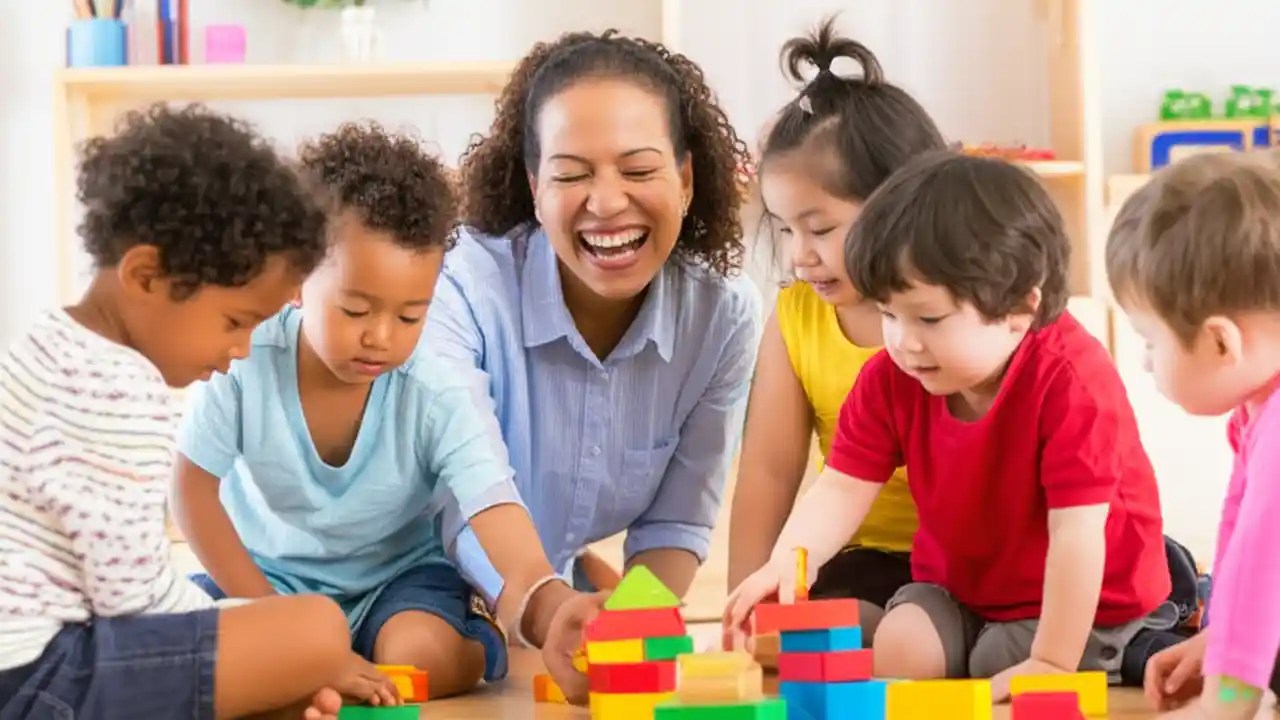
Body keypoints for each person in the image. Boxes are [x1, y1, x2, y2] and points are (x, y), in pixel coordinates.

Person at [725, 151, 1173, 700]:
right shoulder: (893, 377)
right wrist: (785, 565)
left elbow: (1077, 534)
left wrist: (1052, 662)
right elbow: (841, 487)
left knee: (995, 661)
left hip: (1090, 602)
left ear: (1019, 308)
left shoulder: (1072, 381)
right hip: (966, 591)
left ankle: (1157, 628)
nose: (904, 342)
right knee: (902, 652)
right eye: (888, 314)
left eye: (929, 319)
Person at [0, 104, 388, 719]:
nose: (241, 351)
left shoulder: (44, 343)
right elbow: (134, 603)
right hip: (44, 680)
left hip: (32, 664)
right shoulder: (121, 389)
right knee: (318, 631)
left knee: (274, 646)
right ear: (146, 276)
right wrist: (275, 648)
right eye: (235, 322)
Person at [173, 123, 585, 700]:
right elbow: (191, 492)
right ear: (296, 281)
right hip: (267, 579)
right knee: (189, 649)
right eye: (355, 310)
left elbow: (491, 500)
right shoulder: (245, 357)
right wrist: (277, 623)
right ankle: (323, 665)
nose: (382, 337)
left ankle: (469, 638)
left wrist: (545, 592)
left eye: (411, 316)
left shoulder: (432, 388)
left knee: (418, 657)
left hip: (396, 587)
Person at [423, 28, 761, 701]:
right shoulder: (462, 286)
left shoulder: (722, 316)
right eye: (572, 174)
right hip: (408, 576)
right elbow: (471, 485)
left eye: (637, 171)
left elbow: (676, 522)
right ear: (534, 187)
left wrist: (623, 634)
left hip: (540, 591)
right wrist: (550, 610)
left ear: (685, 179)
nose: (605, 203)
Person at [725, 18, 945, 644]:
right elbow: (769, 472)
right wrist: (746, 603)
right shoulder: (797, 317)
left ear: (899, 203)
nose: (800, 256)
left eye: (820, 229)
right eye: (785, 229)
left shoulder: (962, 316)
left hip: (971, 556)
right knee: (796, 641)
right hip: (860, 559)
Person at [1108, 151, 1280, 720]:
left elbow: (1263, 565)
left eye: (1150, 340)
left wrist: (1226, 704)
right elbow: (1243, 548)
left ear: (1220, 342)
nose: (1145, 361)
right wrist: (1219, 641)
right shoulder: (1258, 409)